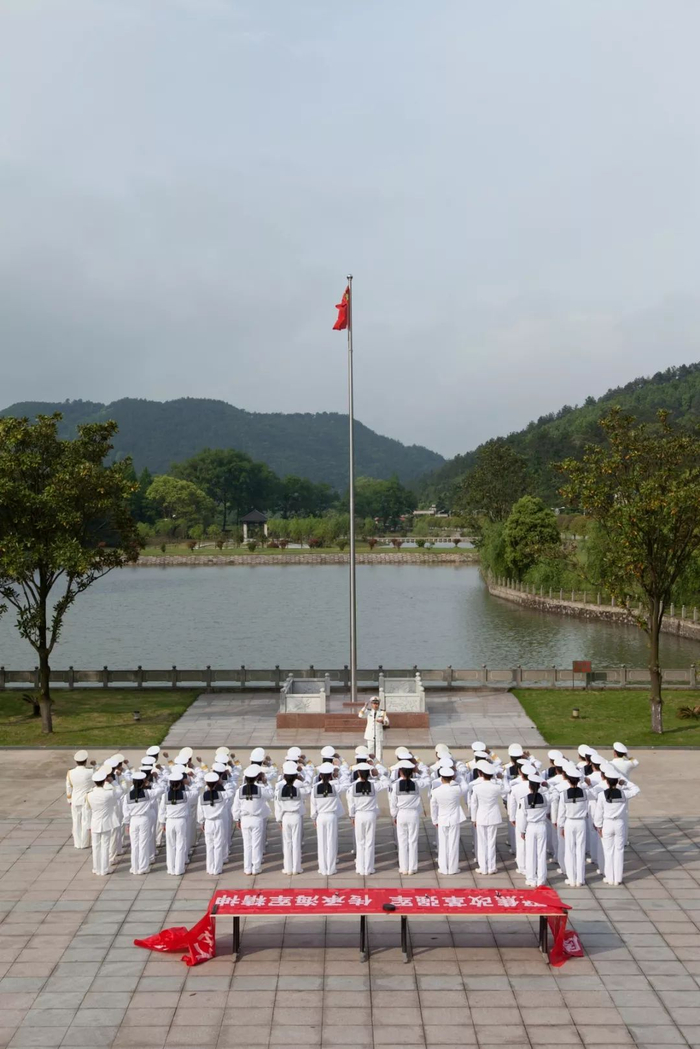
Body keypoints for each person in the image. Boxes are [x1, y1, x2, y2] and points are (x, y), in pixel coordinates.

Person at [593, 763, 640, 886]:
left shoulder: (601, 795)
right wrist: (625, 783)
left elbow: (599, 813)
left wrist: (598, 826)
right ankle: (618, 878)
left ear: (607, 781)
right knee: (619, 851)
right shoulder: (624, 794)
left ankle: (610, 878)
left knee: (608, 852)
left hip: (607, 824)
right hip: (619, 823)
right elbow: (636, 790)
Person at [390, 760, 429, 875]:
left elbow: (393, 803)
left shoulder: (395, 785)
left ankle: (404, 868)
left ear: (400, 772)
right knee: (413, 841)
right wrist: (419, 771)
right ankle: (413, 868)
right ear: (412, 772)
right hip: (413, 814)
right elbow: (427, 779)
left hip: (401, 814)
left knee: (402, 842)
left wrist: (394, 816)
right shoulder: (417, 783)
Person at [347, 762, 387, 875]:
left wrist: (352, 816)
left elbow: (351, 805)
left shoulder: (352, 787)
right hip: (370, 815)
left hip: (359, 815)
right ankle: (369, 869)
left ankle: (360, 868)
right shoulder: (374, 785)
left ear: (358, 773)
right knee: (369, 842)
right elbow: (387, 783)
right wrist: (378, 774)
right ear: (369, 773)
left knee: (360, 842)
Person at [232, 765, 272, 875]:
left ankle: (247, 868)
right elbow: (271, 795)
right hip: (257, 819)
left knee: (247, 845)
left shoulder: (240, 790)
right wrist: (265, 783)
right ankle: (256, 867)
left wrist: (237, 819)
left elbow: (236, 807)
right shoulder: (260, 789)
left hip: (245, 819)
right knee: (256, 844)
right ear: (256, 777)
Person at [470, 759, 508, 875]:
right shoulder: (496, 787)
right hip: (493, 816)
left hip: (481, 816)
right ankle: (492, 867)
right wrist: (502, 779)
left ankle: (483, 867)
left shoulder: (476, 787)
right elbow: (507, 790)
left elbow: (474, 804)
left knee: (482, 843)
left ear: (480, 774)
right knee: (491, 842)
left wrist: (473, 819)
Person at [429, 765, 469, 875]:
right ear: (452, 777)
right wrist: (459, 775)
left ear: (441, 778)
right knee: (453, 844)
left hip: (442, 819)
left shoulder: (436, 791)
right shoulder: (457, 789)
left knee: (442, 844)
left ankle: (443, 868)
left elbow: (433, 806)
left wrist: (434, 820)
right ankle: (453, 868)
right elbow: (465, 786)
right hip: (454, 818)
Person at [275, 761, 311, 875]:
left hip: (285, 817)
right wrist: (302, 778)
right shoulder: (299, 790)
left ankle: (288, 868)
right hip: (296, 816)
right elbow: (309, 790)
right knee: (296, 842)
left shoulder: (280, 790)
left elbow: (278, 806)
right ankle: (297, 868)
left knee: (287, 843)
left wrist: (279, 819)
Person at [85, 767, 121, 876]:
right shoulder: (109, 793)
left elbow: (87, 811)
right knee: (105, 846)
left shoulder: (89, 794)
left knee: (96, 847)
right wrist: (113, 781)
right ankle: (104, 869)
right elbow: (120, 791)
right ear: (104, 780)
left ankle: (96, 868)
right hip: (106, 823)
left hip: (95, 823)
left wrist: (88, 825)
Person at [559, 763, 591, 887]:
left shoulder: (563, 794)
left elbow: (561, 813)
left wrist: (561, 826)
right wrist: (587, 783)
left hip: (569, 822)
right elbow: (593, 794)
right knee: (580, 850)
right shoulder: (585, 792)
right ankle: (580, 879)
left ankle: (572, 879)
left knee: (570, 850)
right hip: (581, 822)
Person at [516, 773, 550, 887]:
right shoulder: (545, 798)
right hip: (542, 826)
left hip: (530, 827)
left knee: (530, 853)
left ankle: (531, 878)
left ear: (529, 786)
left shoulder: (524, 800)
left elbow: (522, 817)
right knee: (541, 853)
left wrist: (522, 830)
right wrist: (547, 785)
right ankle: (541, 879)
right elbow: (554, 794)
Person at [311, 762, 342, 875]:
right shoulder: (335, 787)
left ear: (320, 776)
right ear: (330, 776)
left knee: (322, 843)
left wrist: (314, 818)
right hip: (331, 816)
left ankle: (323, 868)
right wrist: (337, 777)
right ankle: (331, 868)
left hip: (320, 816)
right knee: (331, 842)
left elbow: (313, 805)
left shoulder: (314, 788)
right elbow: (347, 784)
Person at [122, 771, 154, 875]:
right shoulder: (148, 793)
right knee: (143, 843)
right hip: (143, 819)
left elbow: (125, 813)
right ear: (143, 782)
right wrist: (149, 784)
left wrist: (126, 824)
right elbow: (161, 790)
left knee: (134, 845)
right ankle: (143, 867)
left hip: (133, 820)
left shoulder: (127, 796)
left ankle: (134, 867)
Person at [198, 771, 229, 875]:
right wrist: (221, 783)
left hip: (208, 823)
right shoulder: (222, 794)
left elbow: (200, 812)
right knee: (218, 845)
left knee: (209, 846)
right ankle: (217, 868)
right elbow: (231, 792)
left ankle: (210, 868)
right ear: (216, 783)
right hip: (218, 822)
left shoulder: (201, 796)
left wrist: (201, 822)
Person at [159, 771, 190, 876]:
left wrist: (162, 824)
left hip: (170, 821)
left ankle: (171, 868)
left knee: (170, 845)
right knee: (180, 845)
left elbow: (162, 811)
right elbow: (196, 791)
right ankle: (179, 869)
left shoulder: (165, 796)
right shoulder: (186, 794)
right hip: (181, 821)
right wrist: (188, 784)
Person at [66, 750, 95, 849]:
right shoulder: (90, 772)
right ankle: (85, 842)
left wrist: (69, 800)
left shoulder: (70, 773)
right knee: (86, 821)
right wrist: (95, 765)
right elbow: (100, 773)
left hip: (75, 799)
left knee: (76, 821)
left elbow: (68, 787)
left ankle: (77, 843)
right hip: (86, 800)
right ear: (86, 760)